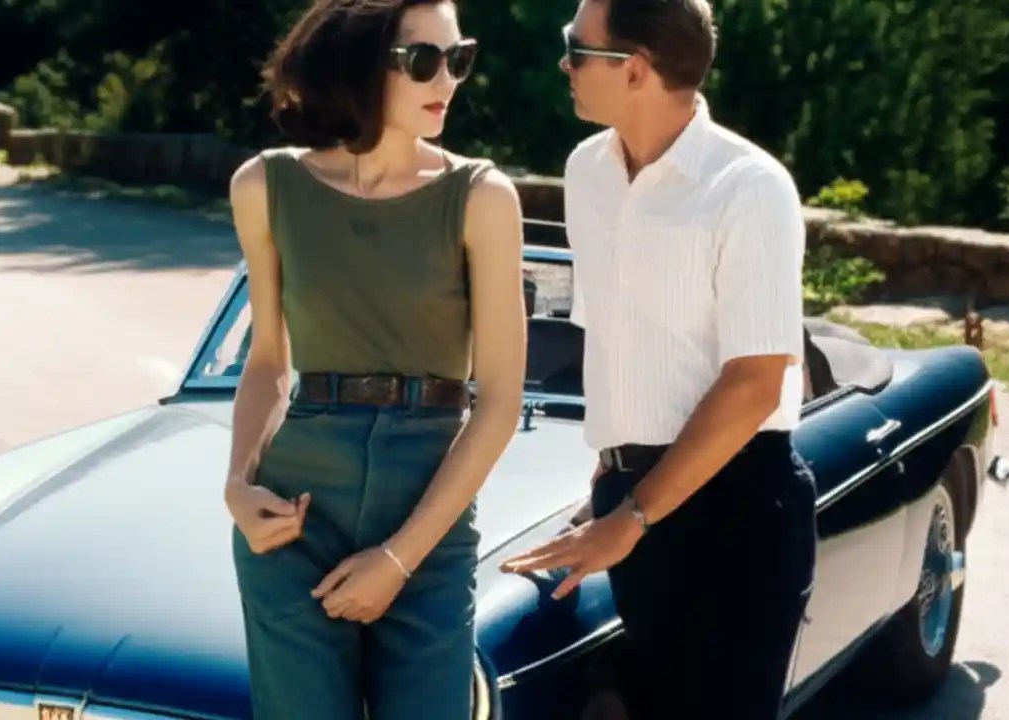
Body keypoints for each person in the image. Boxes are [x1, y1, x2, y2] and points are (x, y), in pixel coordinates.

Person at [500, 1, 817, 719]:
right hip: (633, 500)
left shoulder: (750, 187)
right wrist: (608, 482)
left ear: (635, 69)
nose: (563, 63)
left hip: (738, 512)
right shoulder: (588, 173)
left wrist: (631, 516)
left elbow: (756, 383)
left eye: (575, 47)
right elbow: (617, 343)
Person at [223, 1, 526, 718]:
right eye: (425, 60)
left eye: (460, 58)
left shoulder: (482, 197)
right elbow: (268, 361)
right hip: (295, 513)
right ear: (358, 64)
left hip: (427, 515)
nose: (447, 79)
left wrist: (399, 559)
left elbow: (502, 400)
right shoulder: (264, 187)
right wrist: (237, 484)